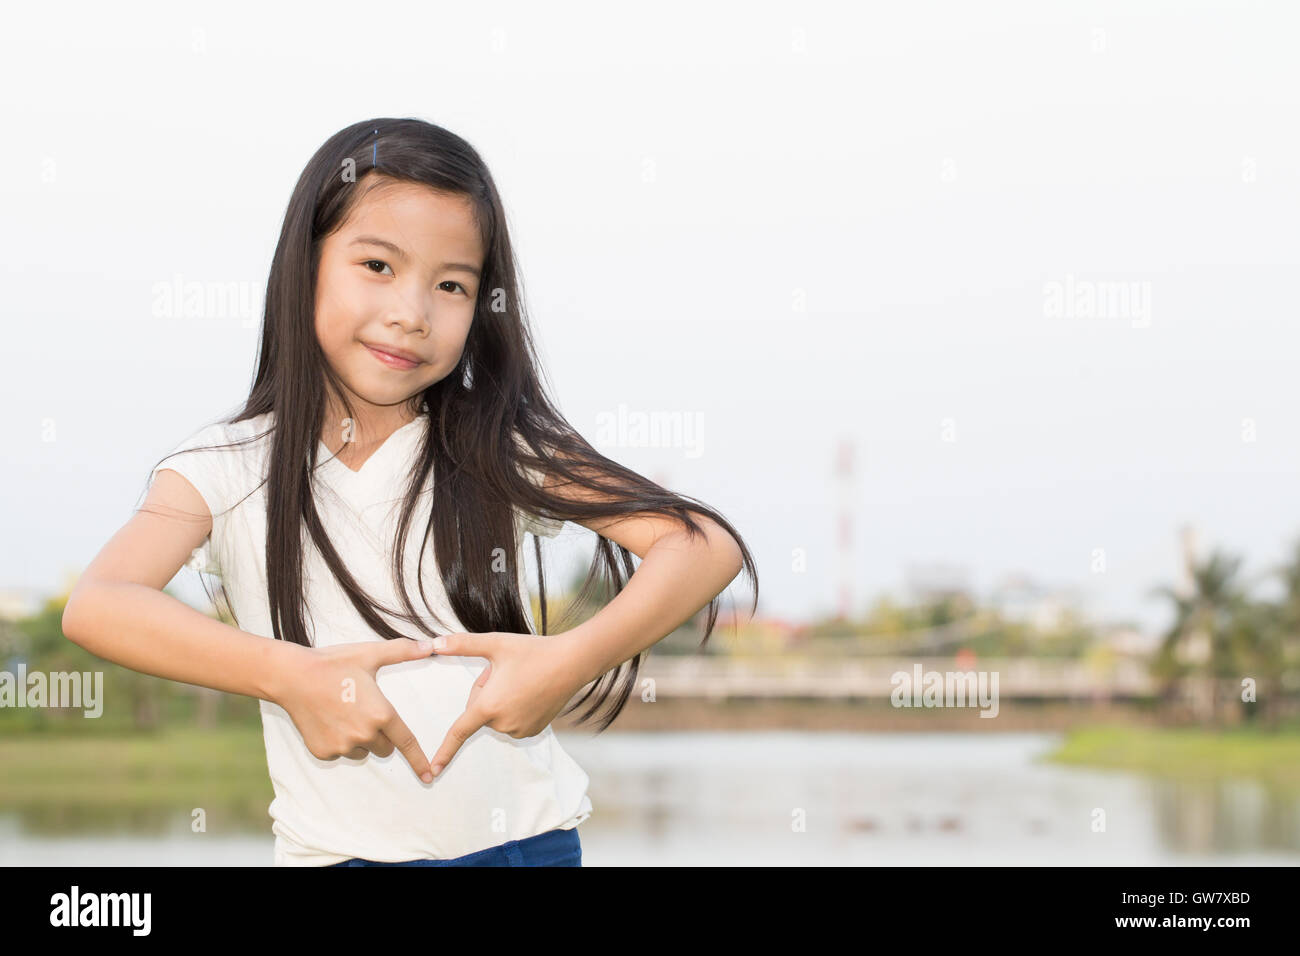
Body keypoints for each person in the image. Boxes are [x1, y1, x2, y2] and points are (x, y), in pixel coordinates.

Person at [61, 117, 758, 867]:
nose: (411, 313)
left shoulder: (494, 445)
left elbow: (700, 546)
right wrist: (289, 676)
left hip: (527, 847)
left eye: (452, 284)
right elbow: (100, 604)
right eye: (378, 266)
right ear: (306, 266)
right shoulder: (226, 465)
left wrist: (567, 661)